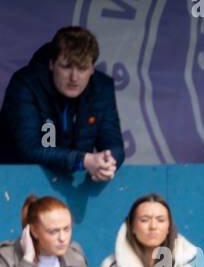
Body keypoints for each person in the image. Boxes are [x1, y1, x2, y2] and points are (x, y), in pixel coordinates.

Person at [0, 26, 124, 180]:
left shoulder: (101, 88)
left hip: (73, 184)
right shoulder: (25, 84)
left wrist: (107, 163)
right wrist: (84, 160)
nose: (74, 77)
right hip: (15, 182)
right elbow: (29, 149)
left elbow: (114, 145)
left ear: (92, 69)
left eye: (82, 68)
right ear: (51, 64)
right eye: (66, 67)